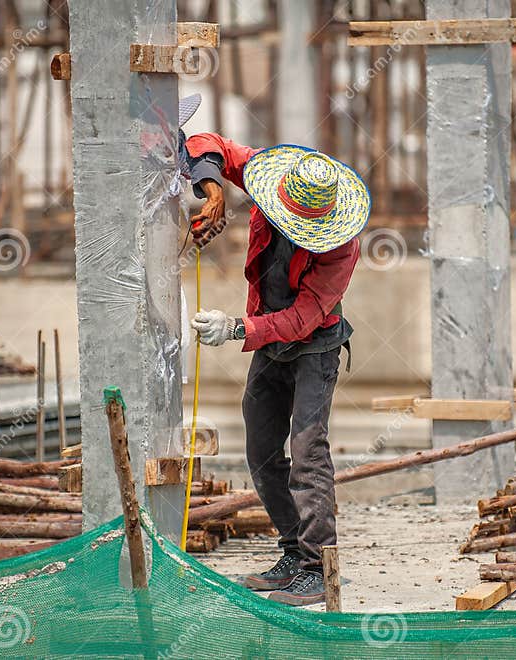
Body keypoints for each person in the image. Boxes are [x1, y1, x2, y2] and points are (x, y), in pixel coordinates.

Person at [185, 132, 370, 606]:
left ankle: (317, 565)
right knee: (262, 449)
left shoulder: (341, 247)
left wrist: (236, 330)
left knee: (308, 449)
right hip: (270, 336)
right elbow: (205, 144)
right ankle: (293, 548)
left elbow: (303, 318)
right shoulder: (266, 177)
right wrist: (212, 189)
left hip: (313, 346)